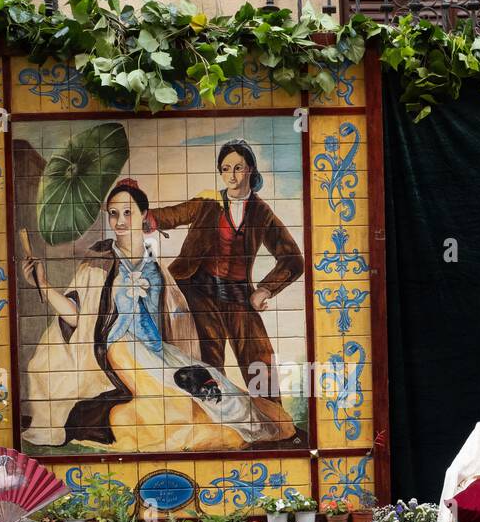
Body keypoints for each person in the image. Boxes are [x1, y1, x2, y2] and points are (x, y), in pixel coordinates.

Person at [17, 179, 294, 451]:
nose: (120, 221)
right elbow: (77, 316)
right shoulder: (99, 261)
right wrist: (43, 284)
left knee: (217, 392)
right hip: (121, 350)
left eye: (128, 212)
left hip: (158, 350)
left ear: (142, 216)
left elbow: (176, 318)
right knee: (178, 410)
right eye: (114, 214)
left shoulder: (156, 268)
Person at [146, 139, 304, 399]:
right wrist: (136, 214)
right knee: (209, 361)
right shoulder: (208, 202)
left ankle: (277, 428)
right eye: (225, 168)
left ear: (250, 170)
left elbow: (293, 260)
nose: (231, 175)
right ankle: (215, 420)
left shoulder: (261, 212)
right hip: (199, 291)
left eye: (238, 168)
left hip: (239, 296)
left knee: (261, 364)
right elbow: (169, 215)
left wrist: (265, 290)